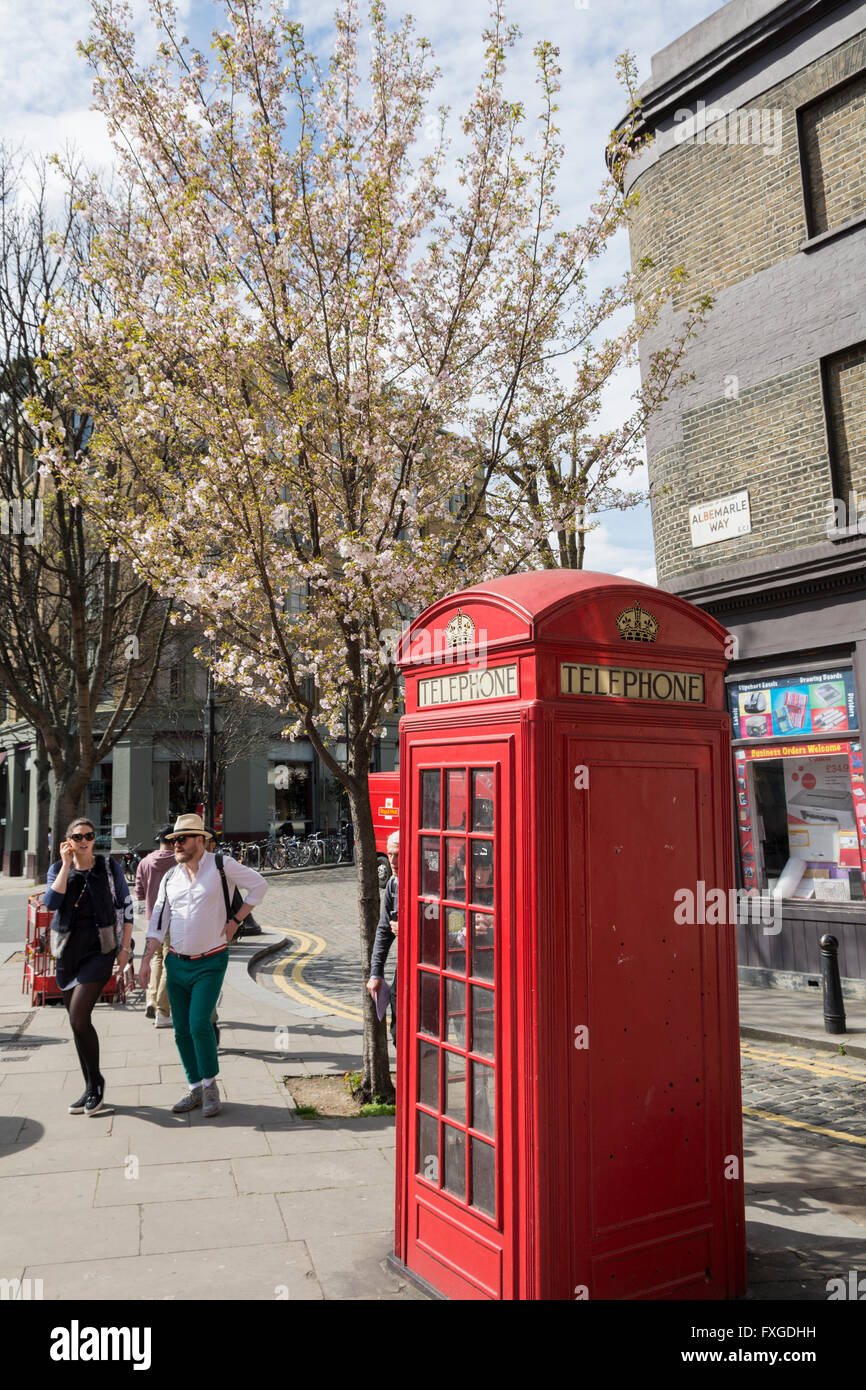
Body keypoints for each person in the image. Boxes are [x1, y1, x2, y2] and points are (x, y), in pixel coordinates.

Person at [137, 813, 267, 1117]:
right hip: (177, 964)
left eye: (182, 839)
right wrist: (145, 960)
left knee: (199, 1024)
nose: (176, 845)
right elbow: (157, 923)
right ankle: (194, 1087)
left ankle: (211, 1088)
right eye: (173, 840)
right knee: (181, 1029)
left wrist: (237, 919)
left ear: (201, 839)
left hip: (211, 960)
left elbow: (259, 886)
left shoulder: (222, 866)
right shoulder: (171, 876)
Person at [44, 817, 133, 1116]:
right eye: (78, 836)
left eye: (89, 836)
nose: (84, 841)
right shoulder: (58, 869)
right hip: (67, 954)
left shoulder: (109, 867)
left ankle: (97, 1084)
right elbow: (51, 903)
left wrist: (124, 948)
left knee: (80, 1017)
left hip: (100, 950)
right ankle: (89, 1086)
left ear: (95, 839)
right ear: (68, 840)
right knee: (75, 1022)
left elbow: (126, 906)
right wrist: (67, 864)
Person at [134, 829, 177, 1026]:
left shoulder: (144, 862)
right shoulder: (179, 860)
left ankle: (150, 999)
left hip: (153, 918)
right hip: (174, 919)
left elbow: (139, 893)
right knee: (170, 962)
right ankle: (162, 1010)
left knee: (156, 959)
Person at [366, 831, 398, 1046]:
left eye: (398, 854)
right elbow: (383, 930)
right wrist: (376, 973)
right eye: (389, 854)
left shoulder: (431, 883)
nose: (392, 861)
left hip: (435, 967)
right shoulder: (393, 885)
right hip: (407, 966)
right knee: (398, 1031)